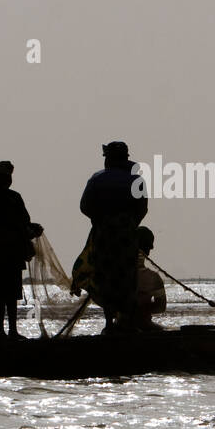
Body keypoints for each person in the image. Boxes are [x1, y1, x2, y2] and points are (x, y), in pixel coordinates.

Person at [77, 141, 148, 332]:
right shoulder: (136, 181)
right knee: (126, 277)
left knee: (106, 277)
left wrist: (100, 219)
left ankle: (109, 323)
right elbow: (142, 209)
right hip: (126, 236)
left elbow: (84, 206)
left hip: (104, 235)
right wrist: (130, 224)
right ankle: (128, 324)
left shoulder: (97, 179)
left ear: (109, 159)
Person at [0, 160, 42, 341]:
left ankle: (10, 331)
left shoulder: (7, 199)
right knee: (4, 295)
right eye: (5, 177)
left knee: (10, 295)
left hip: (11, 255)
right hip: (3, 255)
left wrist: (30, 228)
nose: (8, 180)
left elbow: (24, 223)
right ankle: (1, 332)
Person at [134, 227, 167, 331]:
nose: (151, 249)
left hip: (129, 326)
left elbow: (161, 306)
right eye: (148, 246)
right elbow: (161, 306)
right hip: (139, 326)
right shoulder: (153, 277)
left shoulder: (153, 278)